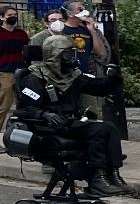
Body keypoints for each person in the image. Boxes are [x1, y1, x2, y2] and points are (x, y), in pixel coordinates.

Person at [14, 35, 129, 195]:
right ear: (55, 56)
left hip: (68, 123)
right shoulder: (34, 79)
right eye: (67, 54)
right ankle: (98, 178)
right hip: (48, 127)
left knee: (109, 128)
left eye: (72, 53)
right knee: (98, 131)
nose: (72, 58)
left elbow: (99, 88)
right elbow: (25, 109)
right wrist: (45, 114)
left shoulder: (72, 76)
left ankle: (113, 175)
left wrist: (114, 78)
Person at [0, 9, 31, 136]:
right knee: (5, 104)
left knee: (26, 102)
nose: (13, 17)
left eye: (15, 15)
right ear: (2, 17)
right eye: (10, 15)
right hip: (5, 71)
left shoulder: (21, 33)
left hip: (22, 71)